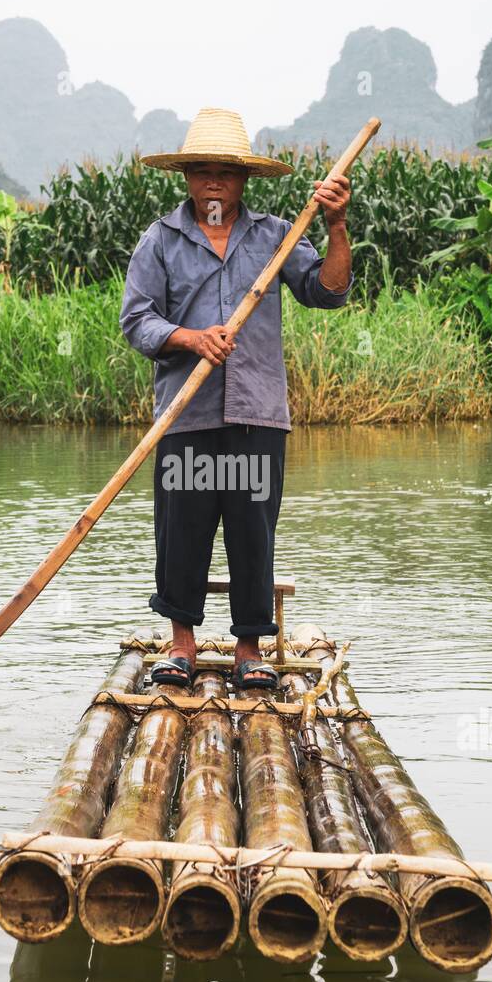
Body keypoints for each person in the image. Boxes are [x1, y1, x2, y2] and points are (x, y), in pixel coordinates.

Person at [120, 107, 352, 690]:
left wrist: (336, 227)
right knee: (182, 530)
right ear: (187, 177)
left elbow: (327, 292)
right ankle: (182, 646)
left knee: (253, 530)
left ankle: (250, 650)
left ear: (244, 178)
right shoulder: (161, 239)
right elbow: (137, 320)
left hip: (257, 412)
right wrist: (190, 338)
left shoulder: (275, 235)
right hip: (185, 413)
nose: (214, 182)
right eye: (202, 171)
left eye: (225, 171)